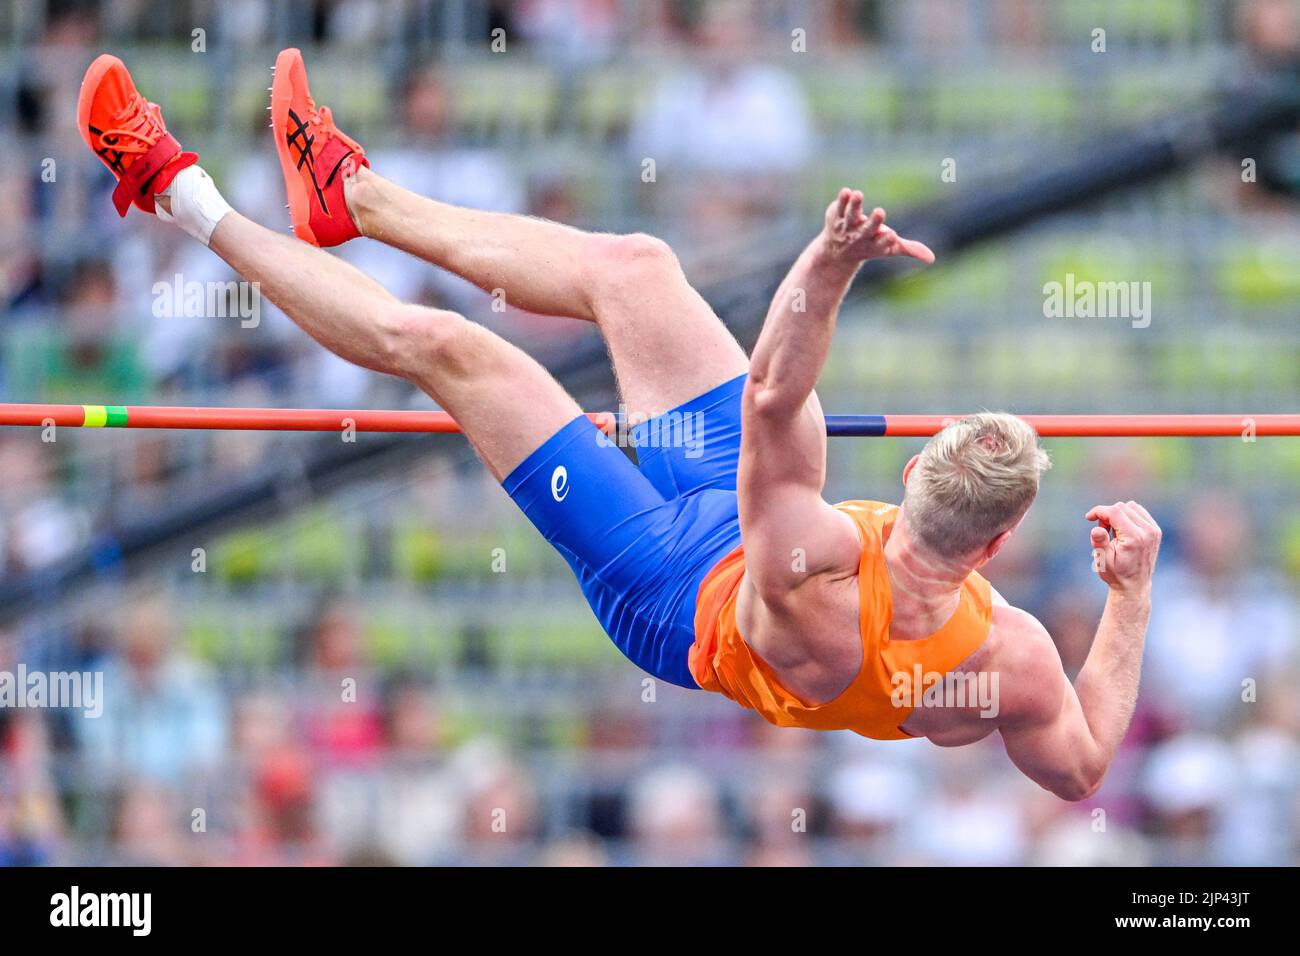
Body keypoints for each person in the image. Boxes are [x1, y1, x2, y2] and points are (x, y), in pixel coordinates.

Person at [78, 49, 1163, 802]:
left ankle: (175, 188)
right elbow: (1079, 764)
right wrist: (1129, 593)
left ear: (920, 471)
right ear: (995, 548)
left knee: (454, 352)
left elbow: (778, 394)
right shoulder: (1012, 655)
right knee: (634, 267)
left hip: (668, 583)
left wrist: (827, 266)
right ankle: (351, 198)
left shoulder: (822, 553)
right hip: (728, 511)